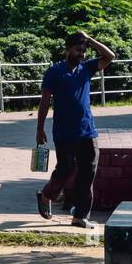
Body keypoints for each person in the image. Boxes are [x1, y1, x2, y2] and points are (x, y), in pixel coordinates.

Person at [35, 31, 115, 228]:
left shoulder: (86, 68)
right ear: (68, 49)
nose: (82, 54)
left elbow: (109, 56)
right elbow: (45, 102)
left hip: (87, 131)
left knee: (88, 172)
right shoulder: (54, 72)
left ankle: (80, 216)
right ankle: (47, 195)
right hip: (63, 132)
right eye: (78, 50)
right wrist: (39, 128)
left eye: (84, 51)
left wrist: (90, 39)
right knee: (65, 168)